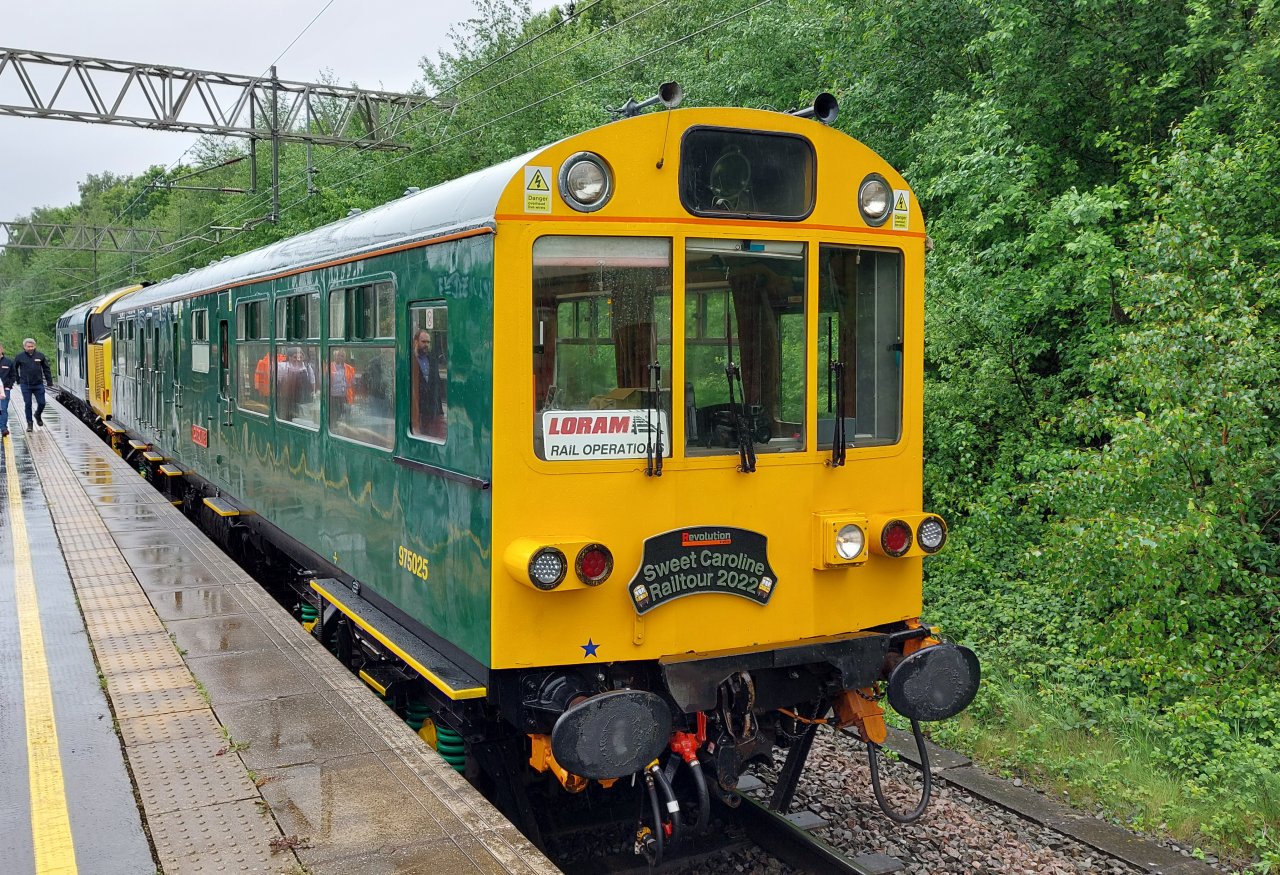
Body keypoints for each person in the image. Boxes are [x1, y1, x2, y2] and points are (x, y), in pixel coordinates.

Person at [14, 337, 53, 432]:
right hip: (25, 385)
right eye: (28, 346)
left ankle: (38, 415)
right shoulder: (19, 357)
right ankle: (29, 423)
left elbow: (46, 369)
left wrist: (49, 381)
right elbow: (14, 368)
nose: (30, 348)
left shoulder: (40, 356)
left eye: (32, 346)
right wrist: (17, 380)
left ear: (34, 346)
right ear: (24, 347)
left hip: (38, 384)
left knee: (42, 403)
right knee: (28, 404)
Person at [413, 329, 442, 435]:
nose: (426, 345)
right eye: (423, 342)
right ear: (416, 342)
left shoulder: (432, 359)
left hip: (430, 411)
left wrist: (439, 411)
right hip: (417, 410)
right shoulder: (411, 360)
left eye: (428, 342)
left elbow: (437, 385)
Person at [276, 347, 315, 422]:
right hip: (287, 400)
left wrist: (312, 394)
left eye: (301, 357)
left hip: (303, 401)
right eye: (295, 357)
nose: (298, 359)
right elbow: (278, 382)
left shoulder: (307, 367)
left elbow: (312, 382)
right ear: (289, 357)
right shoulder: (282, 366)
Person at [329, 347, 356, 422]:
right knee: (334, 419)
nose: (340, 357)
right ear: (334, 356)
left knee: (347, 420)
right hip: (333, 398)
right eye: (338, 355)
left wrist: (353, 399)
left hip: (345, 398)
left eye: (342, 356)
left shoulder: (350, 368)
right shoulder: (328, 367)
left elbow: (353, 384)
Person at [0, 342, 14, 438]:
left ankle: (3, 428)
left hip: (4, 389)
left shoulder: (8, 362)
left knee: (3, 409)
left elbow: (13, 375)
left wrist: (8, 386)